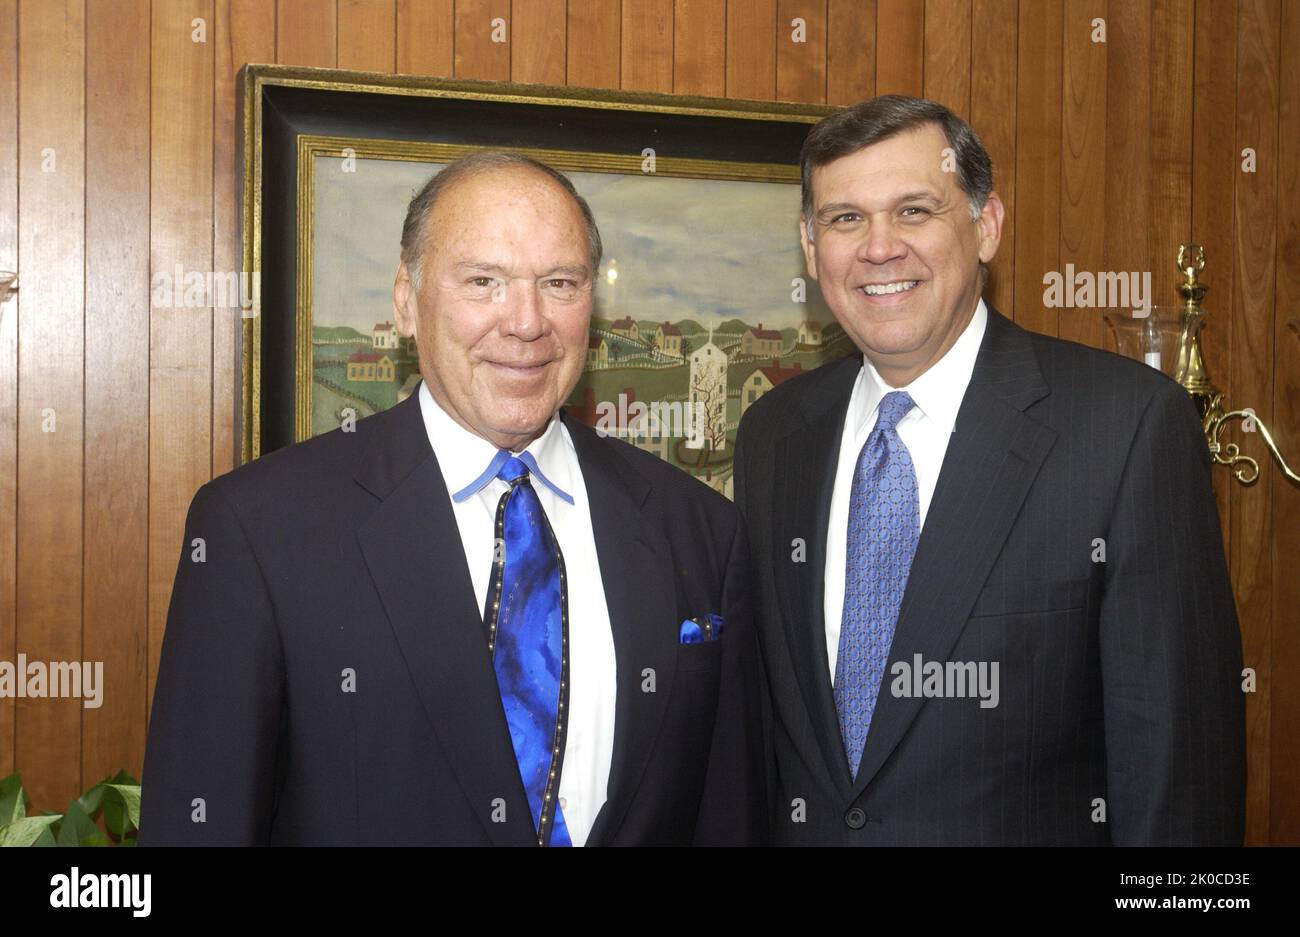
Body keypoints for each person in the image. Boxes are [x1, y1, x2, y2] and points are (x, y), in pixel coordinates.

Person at [140, 151, 763, 846]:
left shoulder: (699, 528)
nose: (526, 322)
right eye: (483, 281)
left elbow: (727, 818)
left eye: (559, 282)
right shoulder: (258, 531)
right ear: (406, 299)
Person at [733, 95, 1245, 845]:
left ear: (986, 227)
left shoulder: (1126, 429)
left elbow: (1179, 782)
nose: (879, 248)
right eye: (846, 219)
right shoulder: (774, 435)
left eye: (914, 211)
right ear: (812, 250)